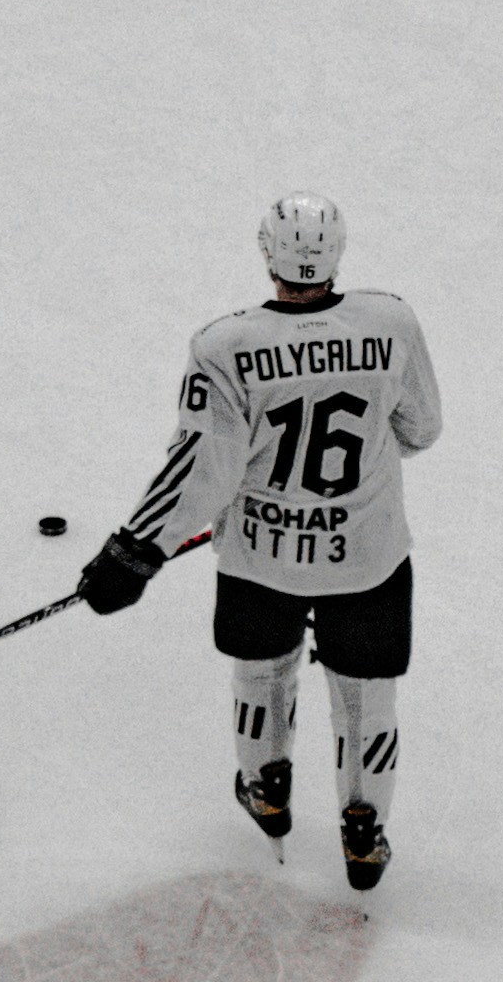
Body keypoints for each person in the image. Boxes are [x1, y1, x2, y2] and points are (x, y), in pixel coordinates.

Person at [76, 195, 442, 892]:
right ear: (337, 251)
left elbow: (203, 468)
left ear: (265, 251)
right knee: (366, 698)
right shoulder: (390, 322)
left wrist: (135, 549)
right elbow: (420, 428)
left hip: (260, 555)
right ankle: (363, 833)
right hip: (367, 555)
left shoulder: (223, 346)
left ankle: (265, 788)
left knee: (261, 674)